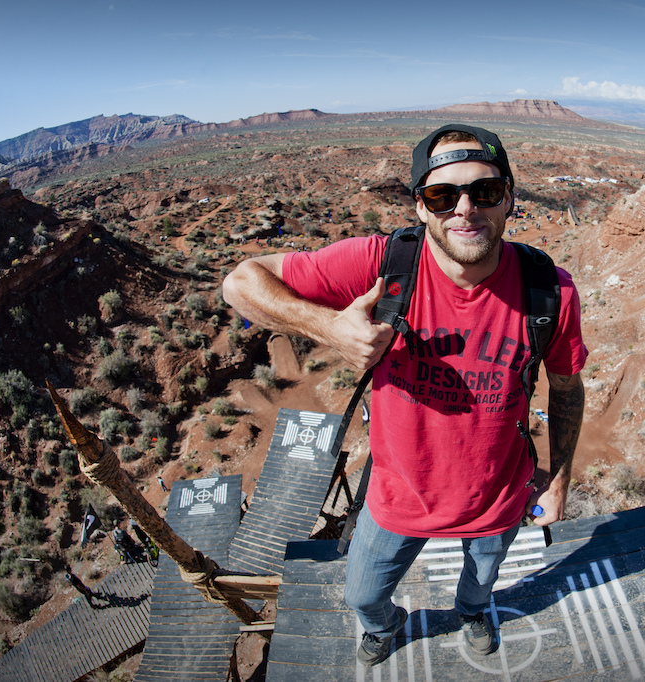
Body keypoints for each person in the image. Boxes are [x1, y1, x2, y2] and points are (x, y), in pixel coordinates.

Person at [223, 124, 587, 666]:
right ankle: (382, 624)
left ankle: (471, 612)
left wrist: (557, 482)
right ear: (420, 206)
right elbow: (240, 282)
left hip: (498, 495)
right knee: (363, 594)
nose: (465, 209)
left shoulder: (548, 290)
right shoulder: (384, 265)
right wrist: (329, 329)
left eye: (484, 191)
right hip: (398, 495)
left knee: (481, 585)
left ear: (509, 197)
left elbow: (565, 389)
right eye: (442, 195)